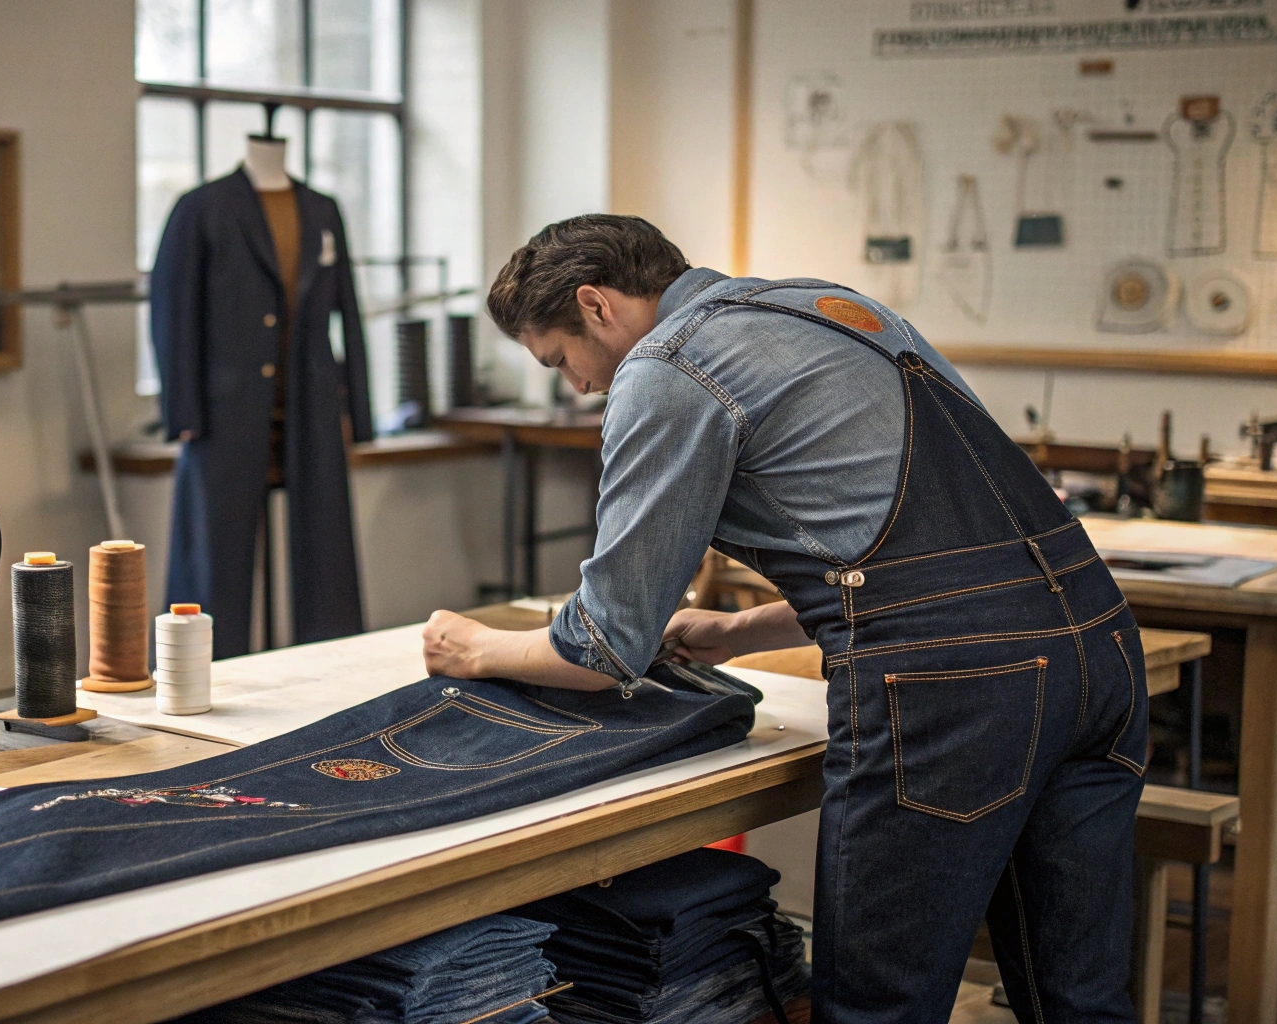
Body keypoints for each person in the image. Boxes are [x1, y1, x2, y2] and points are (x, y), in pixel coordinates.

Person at [423, 214, 1145, 1023]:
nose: (578, 386)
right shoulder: (826, 305)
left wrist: (477, 649)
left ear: (596, 305)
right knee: (1076, 998)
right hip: (1102, 646)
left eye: (562, 360)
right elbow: (937, 550)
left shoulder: (667, 365)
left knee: (879, 1005)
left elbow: (602, 646)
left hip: (958, 689)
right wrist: (737, 633)